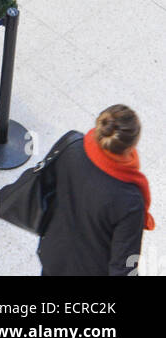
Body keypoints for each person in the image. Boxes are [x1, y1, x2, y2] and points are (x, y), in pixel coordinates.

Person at [37, 105, 153, 276]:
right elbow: (123, 265)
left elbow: (48, 191)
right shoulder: (130, 200)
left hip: (54, 255)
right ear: (131, 146)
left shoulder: (72, 146)